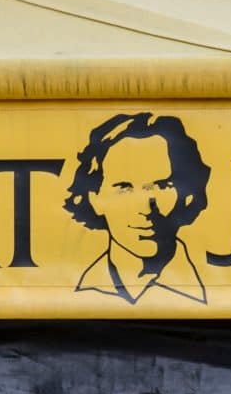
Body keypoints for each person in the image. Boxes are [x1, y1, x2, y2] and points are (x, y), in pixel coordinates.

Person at [64, 112, 213, 305]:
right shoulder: (78, 295)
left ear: (187, 194)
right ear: (93, 197)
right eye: (124, 188)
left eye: (162, 185)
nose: (146, 208)